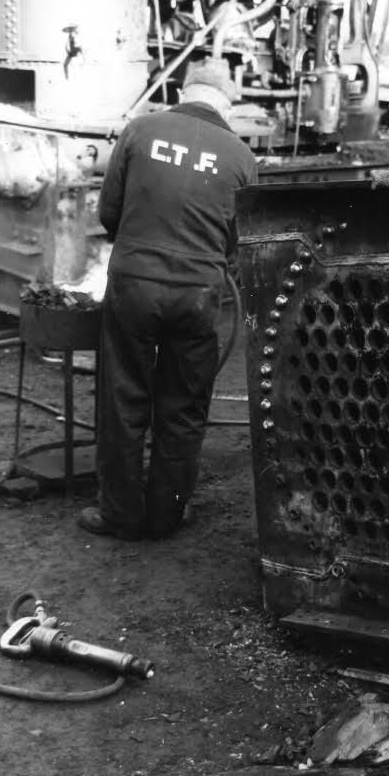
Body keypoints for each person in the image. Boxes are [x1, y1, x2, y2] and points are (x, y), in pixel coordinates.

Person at [79, 61, 257, 540]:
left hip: (135, 283)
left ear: (184, 90)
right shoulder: (241, 157)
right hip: (198, 294)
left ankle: (119, 513)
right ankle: (167, 514)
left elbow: (109, 213)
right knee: (183, 405)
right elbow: (238, 243)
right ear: (228, 103)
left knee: (123, 397)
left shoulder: (141, 131)